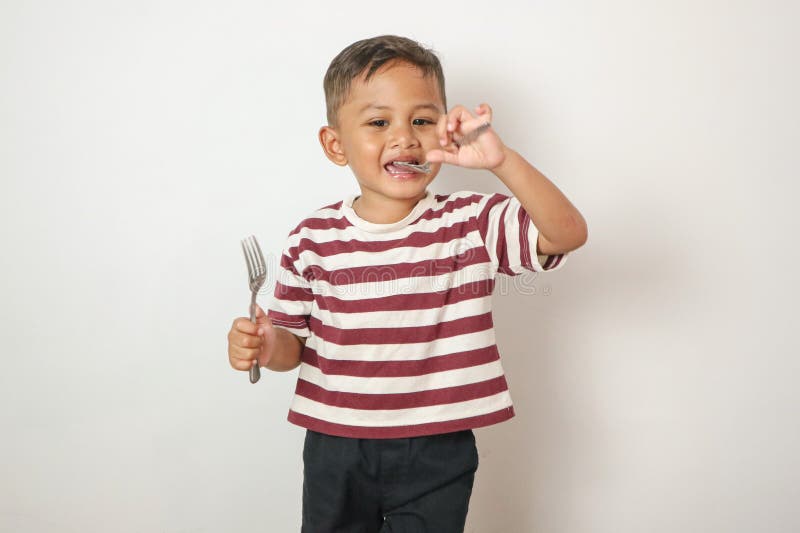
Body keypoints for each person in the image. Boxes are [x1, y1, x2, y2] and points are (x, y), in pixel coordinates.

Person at [227, 34, 588, 533]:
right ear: (336, 145)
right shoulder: (310, 238)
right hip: (337, 444)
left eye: (421, 120)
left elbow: (567, 232)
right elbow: (293, 349)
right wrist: (268, 344)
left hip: (439, 447)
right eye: (379, 123)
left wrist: (501, 160)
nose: (405, 137)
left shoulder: (470, 222)